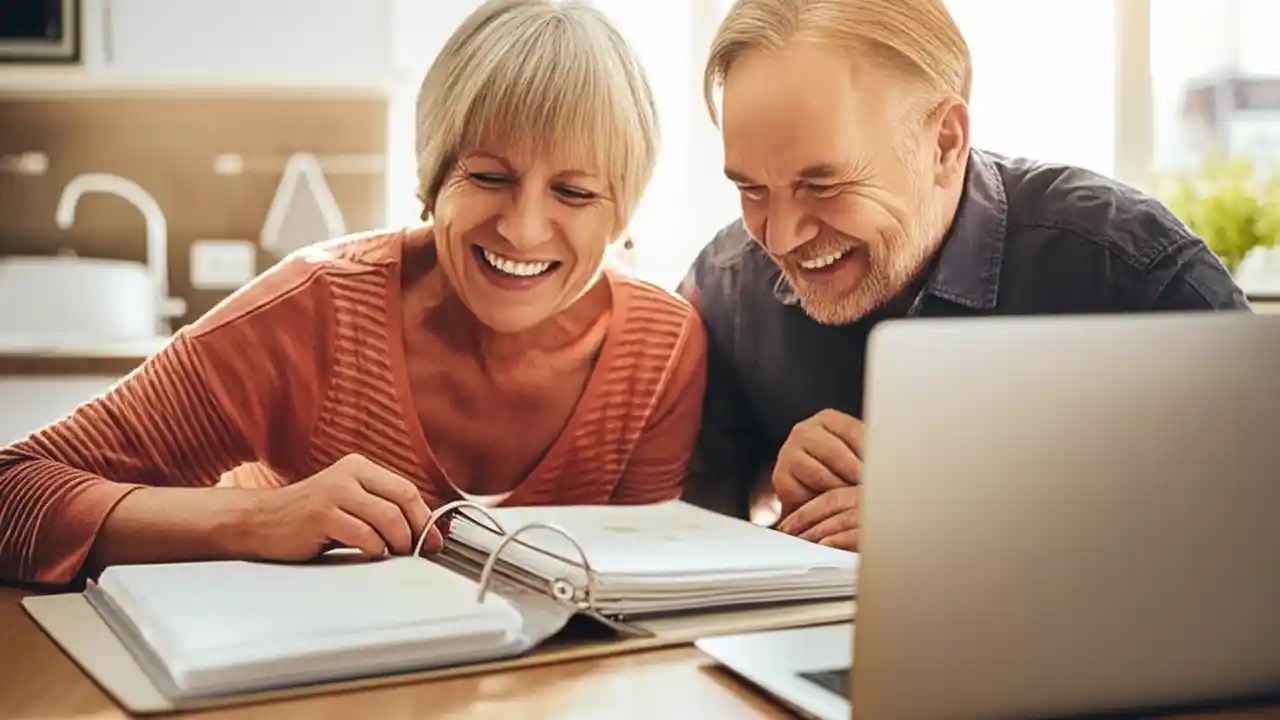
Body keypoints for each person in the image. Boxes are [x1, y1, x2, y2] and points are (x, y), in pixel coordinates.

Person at [0, 0, 707, 587]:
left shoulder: (661, 350)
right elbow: (12, 490)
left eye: (574, 192)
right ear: (432, 178)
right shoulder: (313, 315)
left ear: (624, 211)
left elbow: (627, 604)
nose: (522, 229)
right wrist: (261, 520)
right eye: (488, 177)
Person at [679, 0, 1250, 549]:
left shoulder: (1129, 270)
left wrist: (965, 518)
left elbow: (1249, 519)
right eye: (751, 189)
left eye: (823, 185)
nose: (778, 238)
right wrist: (770, 515)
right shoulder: (728, 292)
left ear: (946, 142)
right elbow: (681, 554)